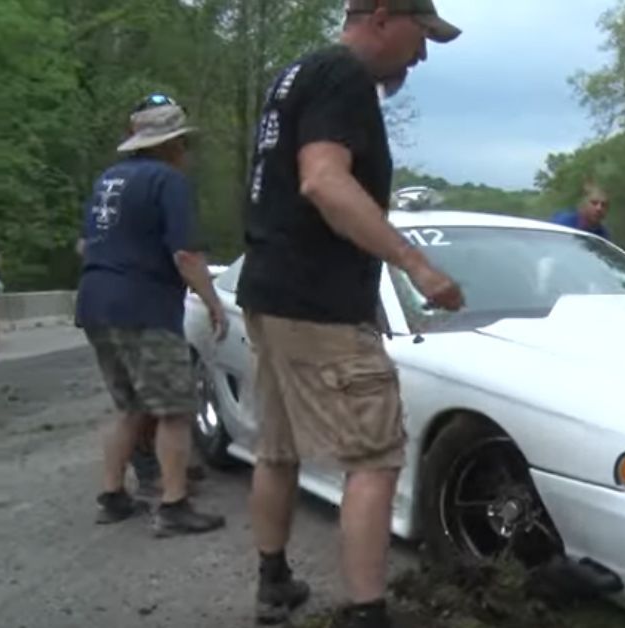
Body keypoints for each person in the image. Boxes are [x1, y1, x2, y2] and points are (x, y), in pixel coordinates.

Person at [235, 2, 463, 626]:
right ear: (385, 17)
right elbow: (323, 181)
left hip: (270, 292)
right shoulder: (343, 77)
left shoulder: (295, 74)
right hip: (320, 305)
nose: (421, 56)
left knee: (277, 448)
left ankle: (273, 579)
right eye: (423, 37)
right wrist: (416, 265)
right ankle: (368, 613)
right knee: (374, 456)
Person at [75, 93, 228, 536]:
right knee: (175, 410)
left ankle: (112, 496)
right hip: (142, 306)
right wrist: (213, 303)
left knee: (131, 407)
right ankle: (173, 505)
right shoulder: (168, 181)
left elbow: (85, 245)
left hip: (95, 302)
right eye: (184, 144)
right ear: (171, 145)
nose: (186, 153)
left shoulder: (109, 180)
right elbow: (185, 253)